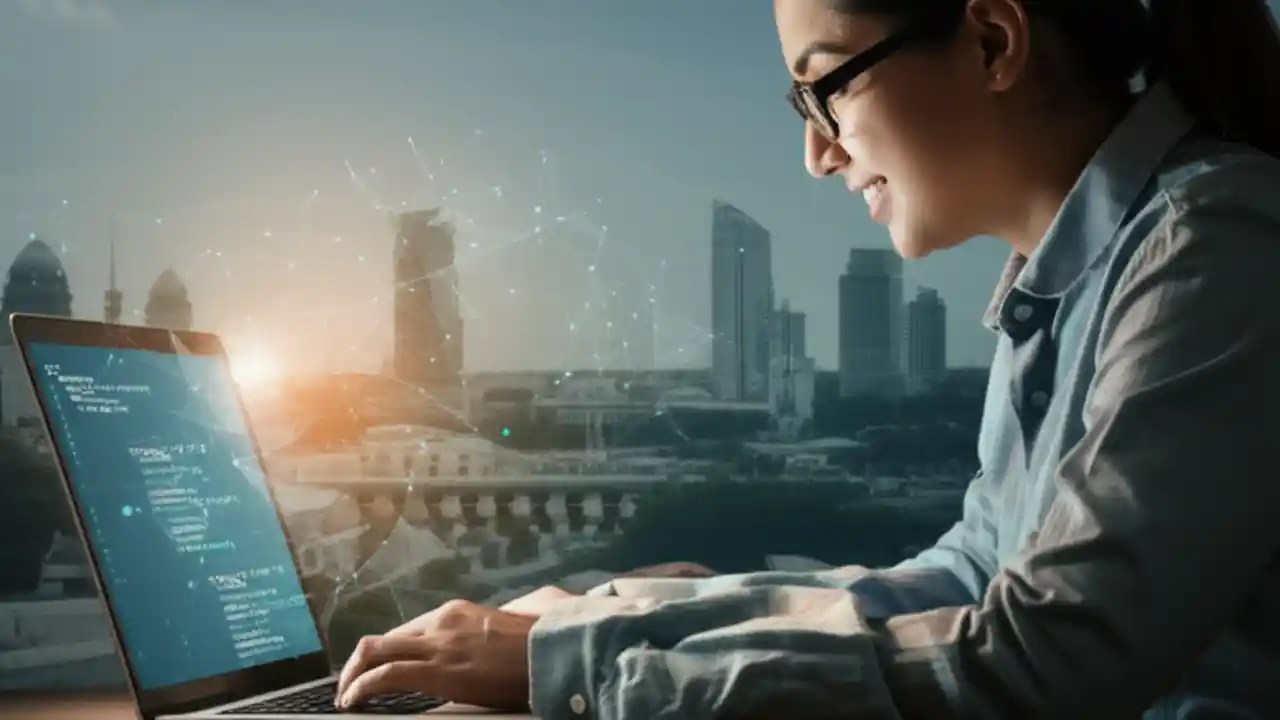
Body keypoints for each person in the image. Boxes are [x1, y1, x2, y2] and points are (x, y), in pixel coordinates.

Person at [334, 0, 1280, 716]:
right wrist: (598, 624)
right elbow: (966, 580)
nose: (815, 155)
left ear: (992, 43)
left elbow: (1048, 655)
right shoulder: (1067, 284)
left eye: (826, 85)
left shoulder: (1213, 245)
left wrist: (589, 677)